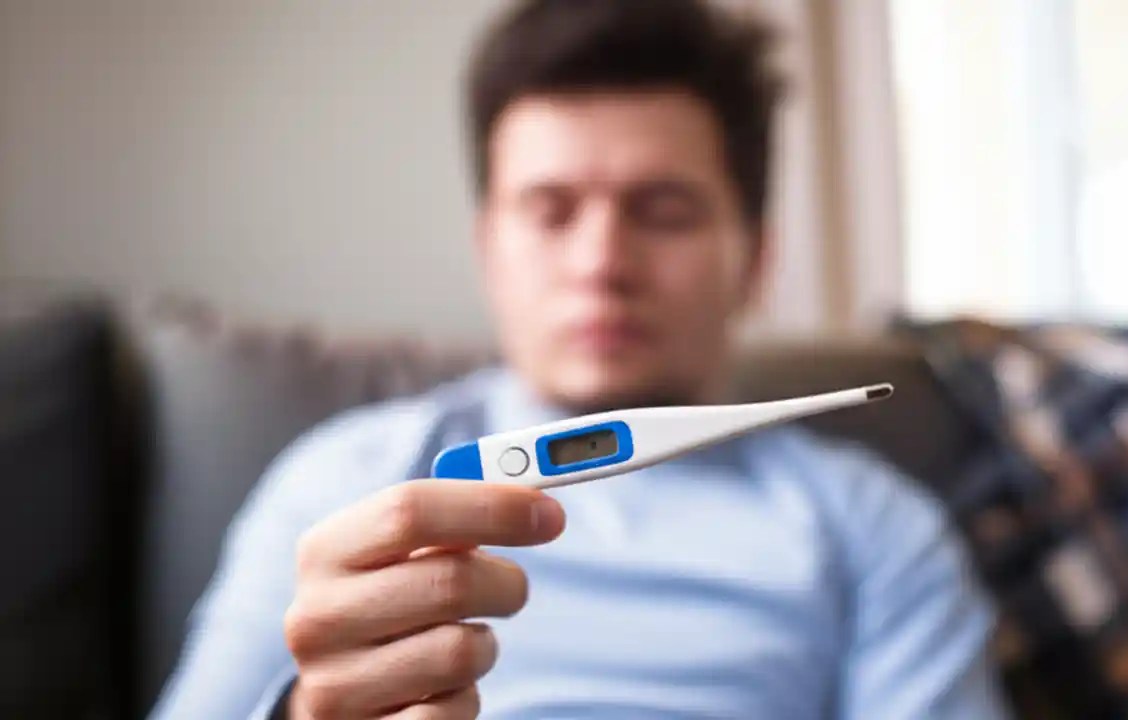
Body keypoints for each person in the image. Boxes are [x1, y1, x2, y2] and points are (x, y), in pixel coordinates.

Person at [152, 1, 1007, 718]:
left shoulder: (875, 533)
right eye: (551, 210)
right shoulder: (344, 484)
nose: (602, 262)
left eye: (662, 211)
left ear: (754, 260)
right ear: (490, 249)